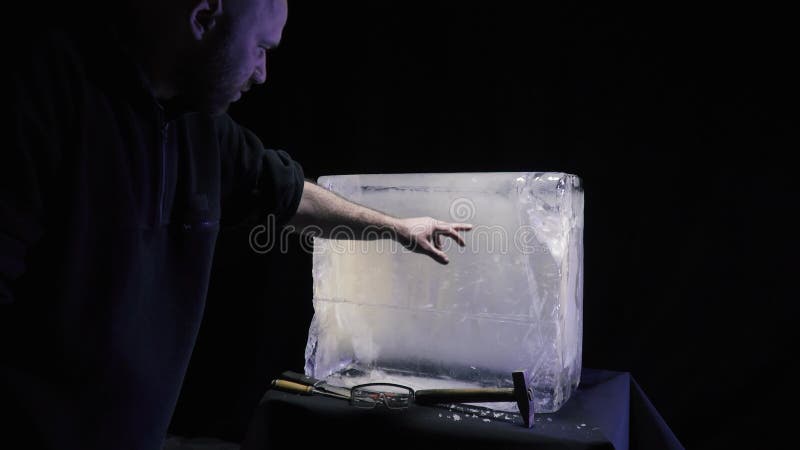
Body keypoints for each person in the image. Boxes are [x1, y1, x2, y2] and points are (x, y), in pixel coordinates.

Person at [0, 1, 472, 449]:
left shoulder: (204, 131)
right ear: (204, 18)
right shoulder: (45, 94)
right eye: (261, 49)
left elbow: (289, 195)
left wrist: (396, 228)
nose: (263, 73)